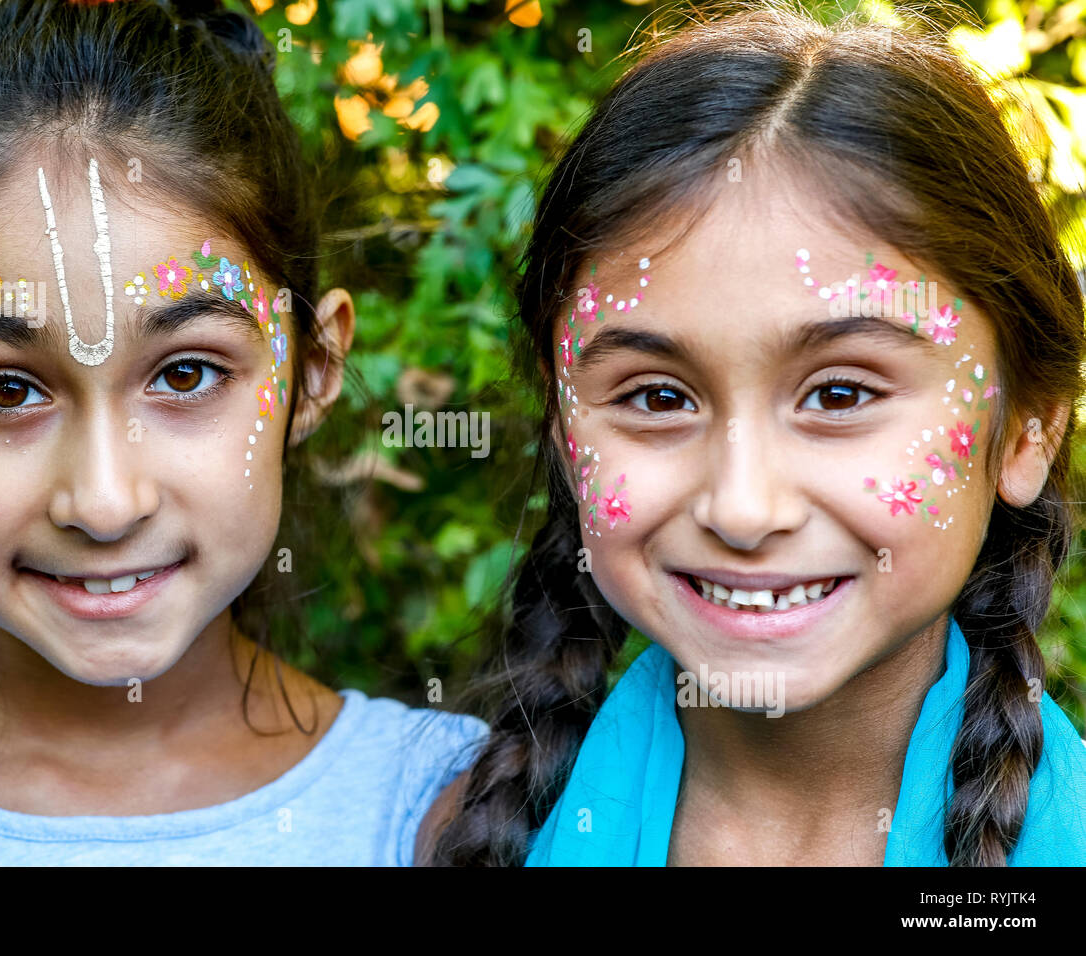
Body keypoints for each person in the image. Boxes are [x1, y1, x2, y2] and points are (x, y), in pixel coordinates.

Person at [0, 0, 485, 866]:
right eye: (6, 390)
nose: (106, 503)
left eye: (186, 374)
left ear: (313, 372)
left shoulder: (446, 810)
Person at [423, 4, 1086, 866]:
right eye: (658, 398)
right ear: (561, 430)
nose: (742, 508)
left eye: (841, 393)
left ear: (1028, 426)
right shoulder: (465, 833)